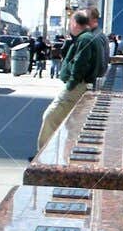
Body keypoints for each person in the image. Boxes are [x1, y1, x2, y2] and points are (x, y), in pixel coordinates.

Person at [33, 12, 109, 155]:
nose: (69, 27)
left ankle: (44, 155)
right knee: (71, 123)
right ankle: (59, 153)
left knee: (50, 117)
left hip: (77, 86)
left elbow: (80, 64)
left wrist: (71, 85)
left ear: (74, 24)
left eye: (70, 23)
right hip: (83, 85)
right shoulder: (87, 38)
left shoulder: (85, 39)